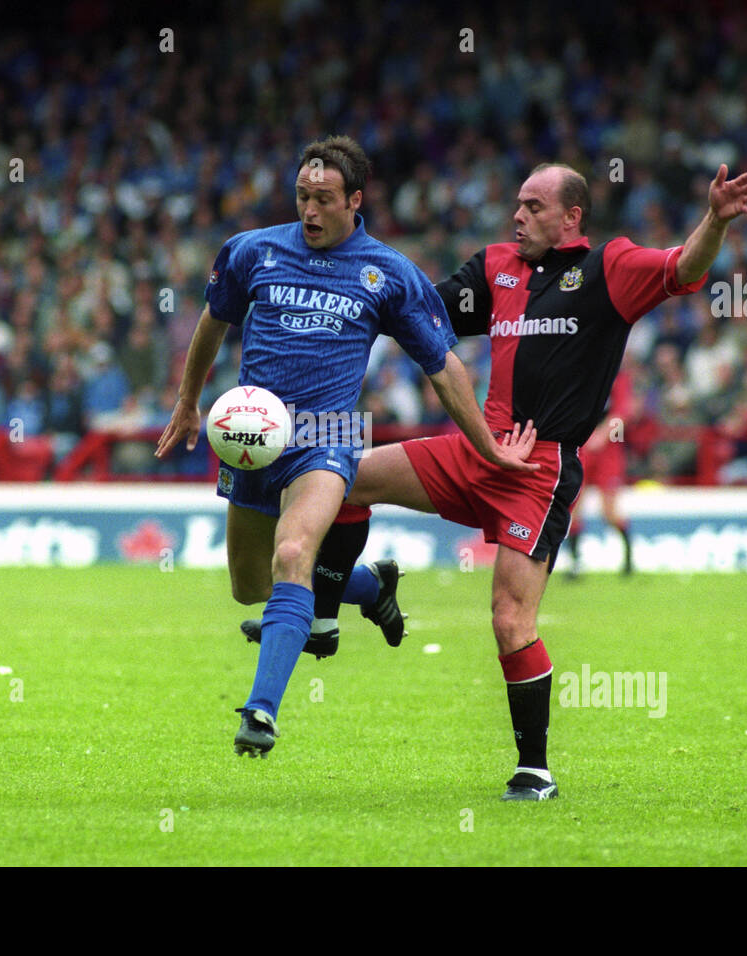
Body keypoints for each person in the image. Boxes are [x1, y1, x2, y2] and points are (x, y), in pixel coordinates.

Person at [246, 162, 747, 798]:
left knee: (510, 619)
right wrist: (340, 283)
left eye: (533, 207)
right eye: (517, 204)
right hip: (479, 449)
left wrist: (713, 219)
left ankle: (535, 768)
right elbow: (415, 309)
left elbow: (683, 268)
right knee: (347, 475)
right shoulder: (495, 266)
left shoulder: (610, 268)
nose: (517, 216)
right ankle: (328, 613)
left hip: (538, 470)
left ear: (571, 217)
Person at [155, 136, 537, 758]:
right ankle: (367, 587)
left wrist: (489, 448)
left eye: (324, 199)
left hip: (326, 440)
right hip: (252, 439)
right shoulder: (253, 251)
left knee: (295, 551)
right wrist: (187, 401)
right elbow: (213, 319)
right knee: (249, 587)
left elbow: (443, 368)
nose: (310, 210)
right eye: (303, 196)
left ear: (354, 201)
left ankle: (261, 712)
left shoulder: (387, 272)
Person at [566, 362, 637, 577]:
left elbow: (622, 413)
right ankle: (576, 564)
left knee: (609, 510)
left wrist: (603, 435)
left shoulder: (618, 376)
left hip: (609, 452)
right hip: (582, 448)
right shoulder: (582, 372)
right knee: (574, 505)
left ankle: (628, 559)